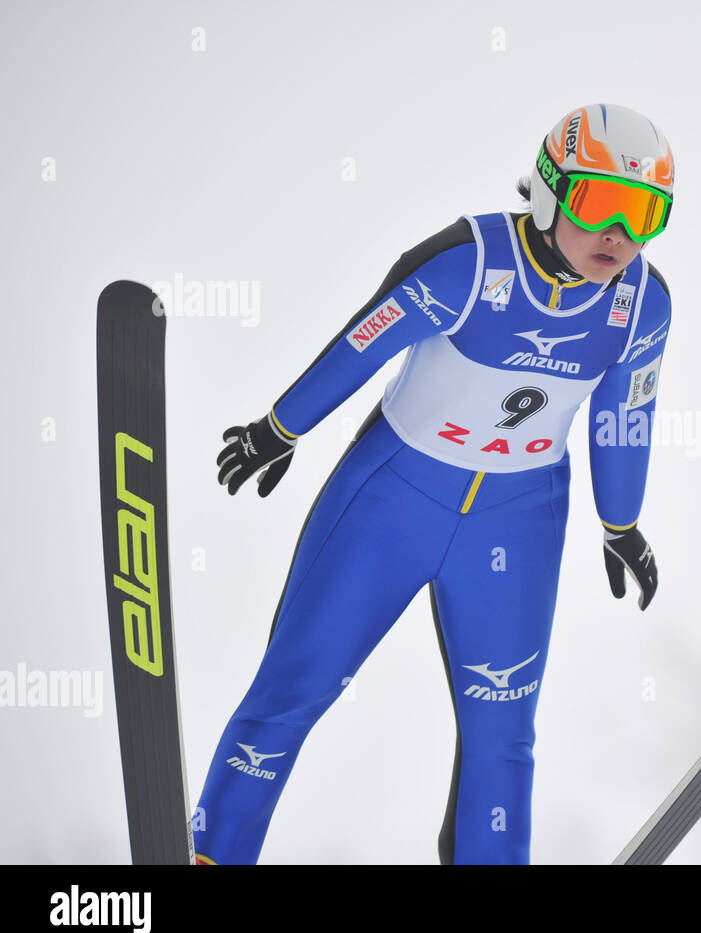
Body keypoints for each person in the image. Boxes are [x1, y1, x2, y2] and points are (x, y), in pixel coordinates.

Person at [192, 103, 675, 865]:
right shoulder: (468, 262)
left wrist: (622, 523)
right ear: (549, 194)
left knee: (504, 736)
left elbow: (626, 414)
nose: (620, 234)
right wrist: (279, 429)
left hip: (519, 520)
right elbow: (362, 341)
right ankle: (212, 853)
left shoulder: (641, 302)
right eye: (600, 205)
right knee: (296, 683)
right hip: (392, 500)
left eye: (645, 213)